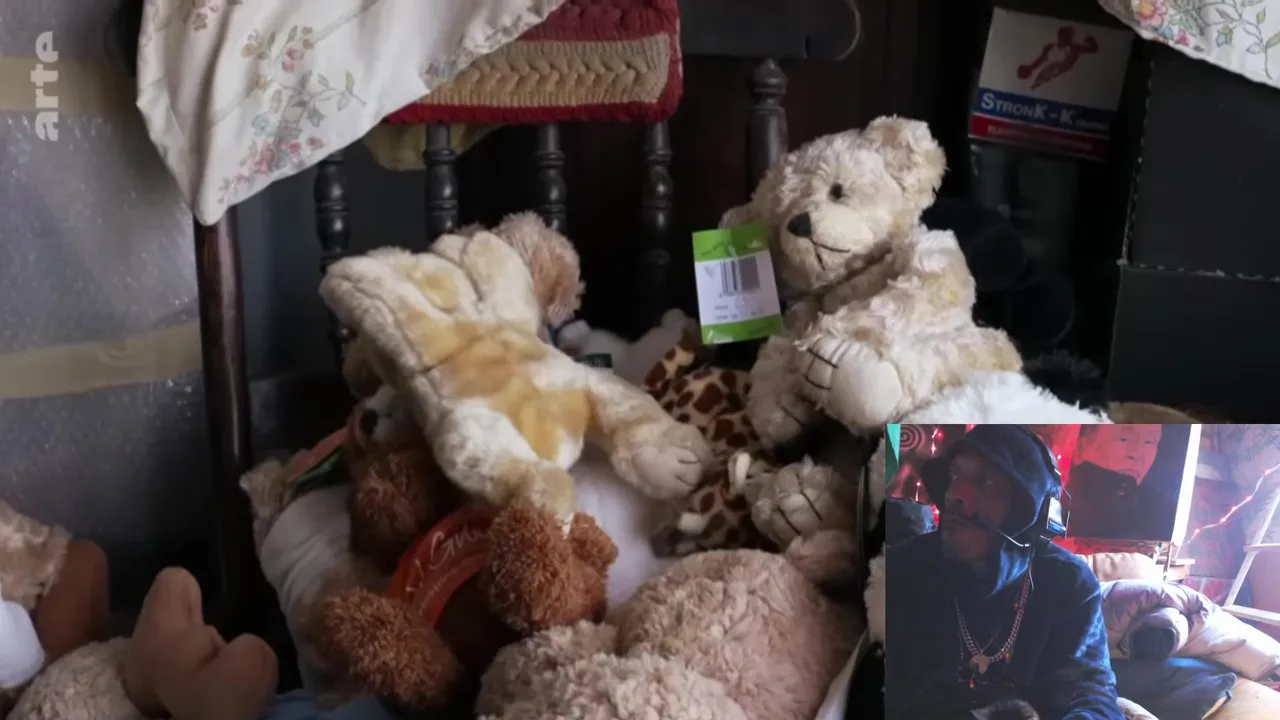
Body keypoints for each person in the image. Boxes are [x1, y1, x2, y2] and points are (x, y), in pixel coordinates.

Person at [884, 425, 1124, 720]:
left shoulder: (1067, 583)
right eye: (955, 476)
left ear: (1033, 516)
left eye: (983, 482)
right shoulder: (902, 570)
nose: (954, 494)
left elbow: (1089, 693)